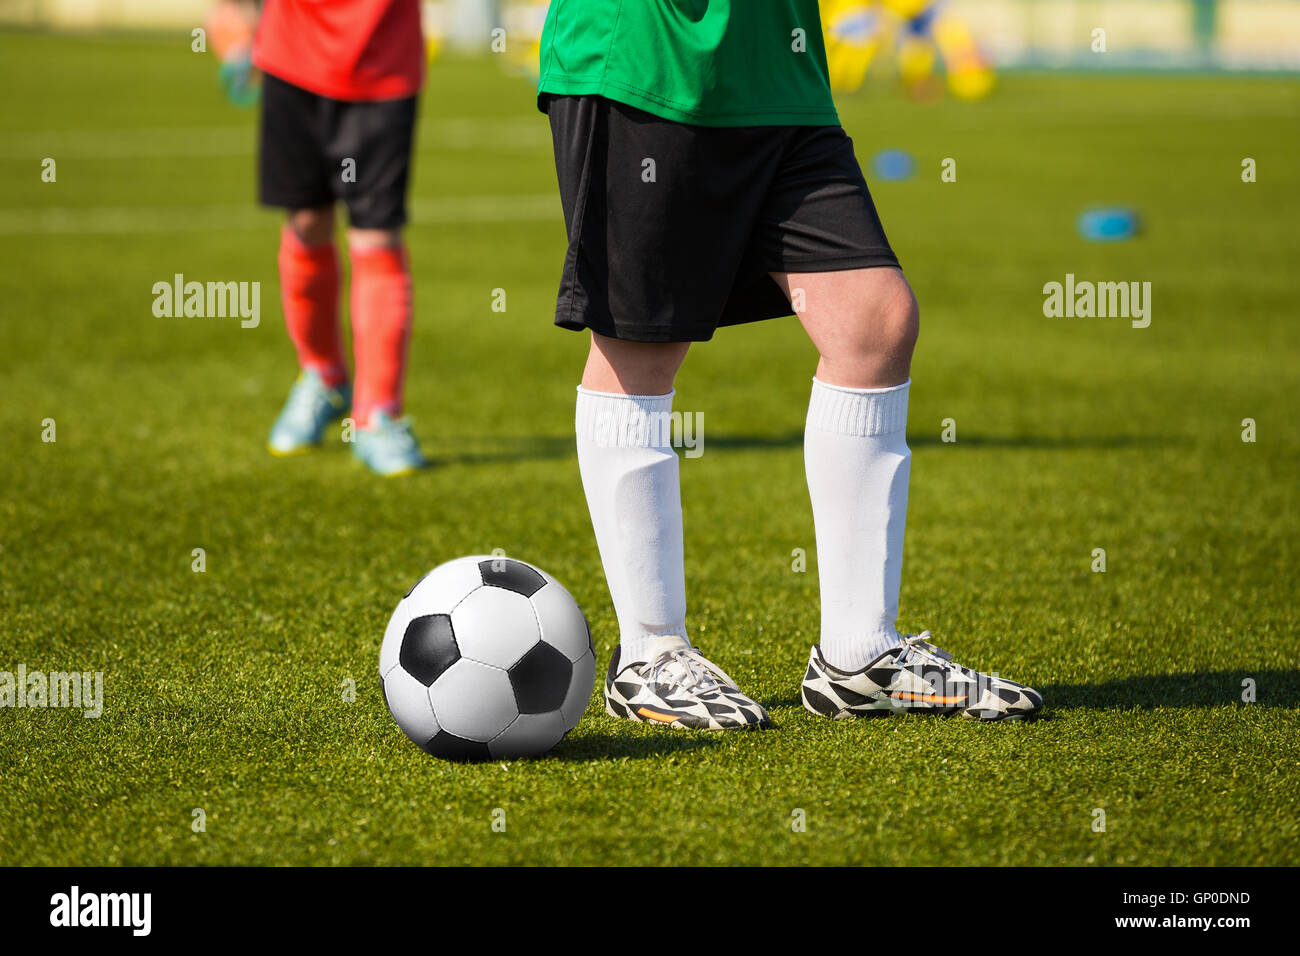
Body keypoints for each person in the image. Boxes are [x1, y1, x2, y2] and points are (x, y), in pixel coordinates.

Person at [537, 0, 1041, 729]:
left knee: (873, 321)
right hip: (649, 58)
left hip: (780, 71)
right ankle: (648, 655)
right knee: (639, 342)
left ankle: (860, 658)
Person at [245, 0, 428, 475]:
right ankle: (323, 375)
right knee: (306, 221)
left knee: (376, 237)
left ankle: (378, 412)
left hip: (382, 64)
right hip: (292, 55)